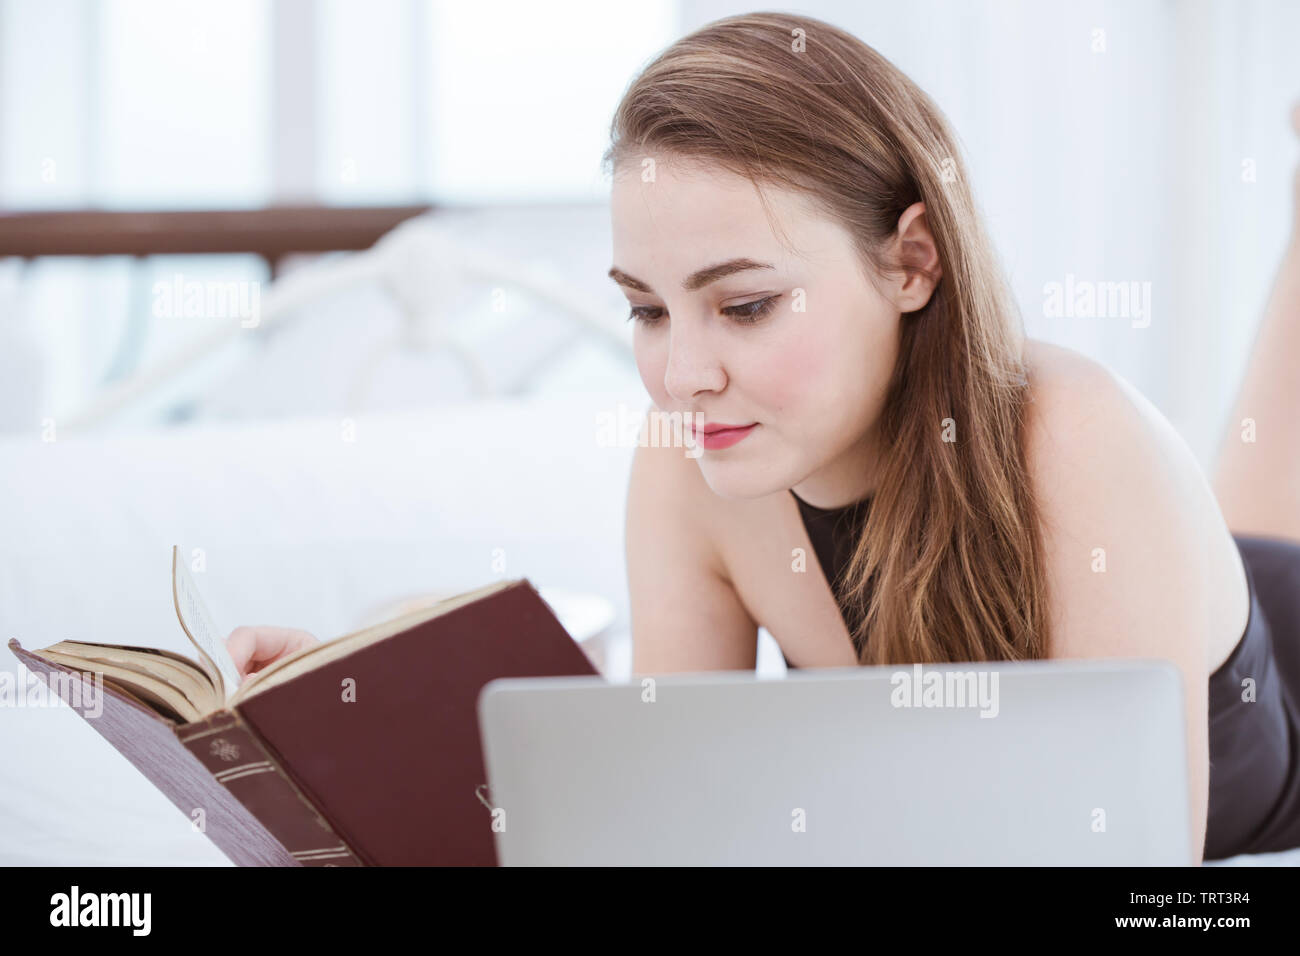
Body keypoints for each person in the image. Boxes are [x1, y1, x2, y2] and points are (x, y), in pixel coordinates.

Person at [225, 12, 1300, 864]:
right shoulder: (689, 461)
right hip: (1196, 573)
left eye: (742, 306)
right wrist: (371, 725)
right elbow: (683, 830)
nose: (682, 373)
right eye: (646, 309)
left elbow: (1140, 884)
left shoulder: (1075, 434)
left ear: (912, 261)